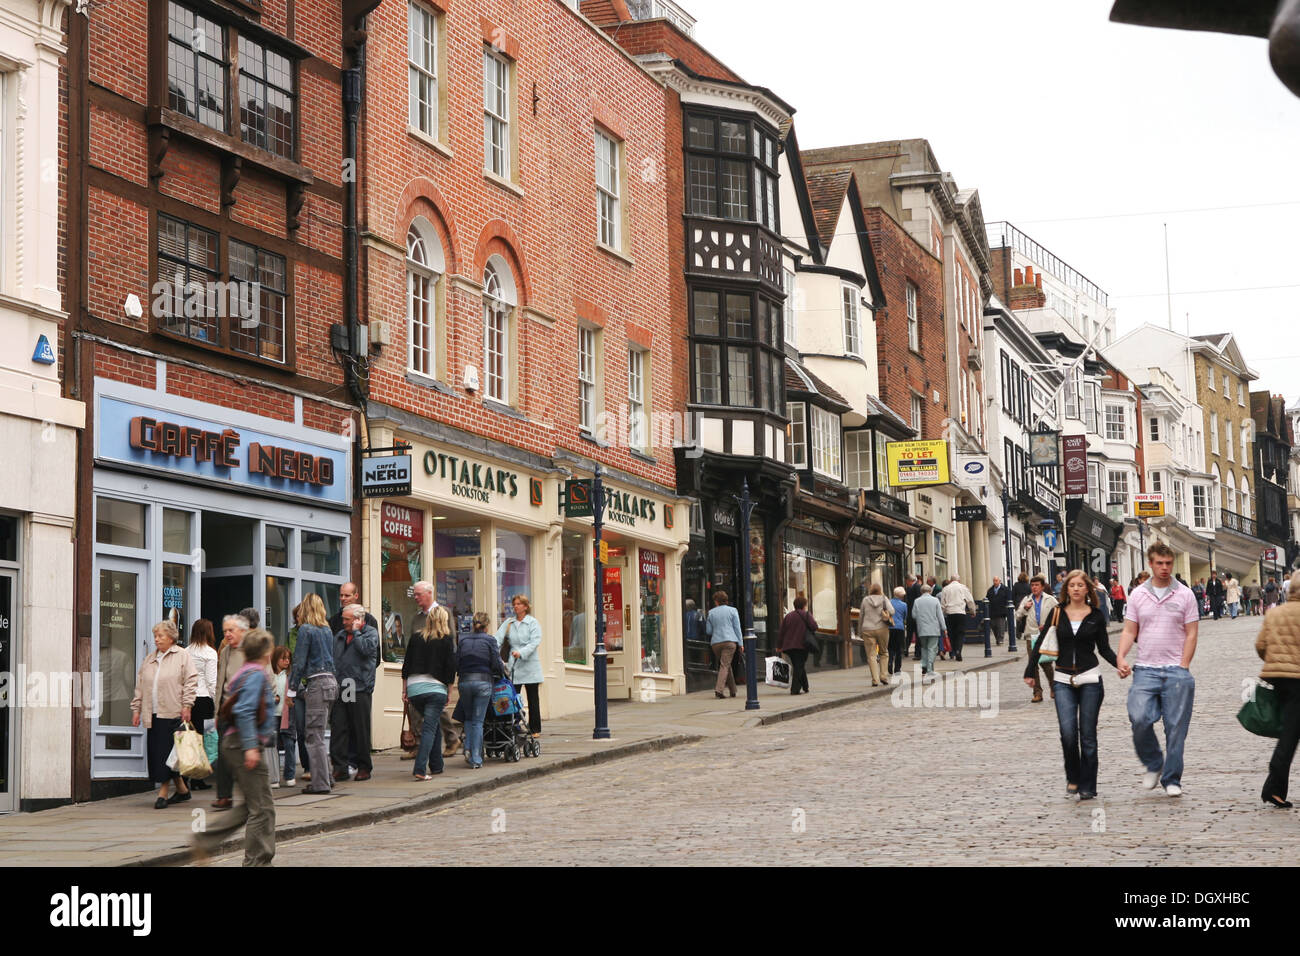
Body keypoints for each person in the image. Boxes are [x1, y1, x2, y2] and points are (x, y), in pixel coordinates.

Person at [1025, 569, 1119, 800]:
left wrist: (1120, 664)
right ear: (1066, 589)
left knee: (1087, 735)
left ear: (1087, 588)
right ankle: (1074, 777)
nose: (1076, 589)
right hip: (1063, 680)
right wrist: (1030, 670)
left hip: (1090, 679)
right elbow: (1041, 642)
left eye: (1080, 585)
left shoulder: (1096, 615)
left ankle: (1088, 785)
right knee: (1068, 734)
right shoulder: (1057, 612)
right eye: (1072, 585)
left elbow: (1103, 648)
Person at [1116, 541, 1199, 797]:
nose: (1164, 568)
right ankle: (1154, 763)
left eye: (1168, 563)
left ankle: (1172, 778)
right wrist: (1120, 656)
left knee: (1176, 729)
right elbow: (1130, 630)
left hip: (1176, 670)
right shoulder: (1138, 595)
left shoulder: (1185, 595)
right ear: (1150, 564)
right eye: (1159, 563)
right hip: (1145, 670)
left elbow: (1192, 633)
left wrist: (1183, 666)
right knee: (1139, 718)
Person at [194, 628, 277, 866]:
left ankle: (206, 839)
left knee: (252, 805)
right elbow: (244, 710)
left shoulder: (244, 672)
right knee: (263, 809)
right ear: (264, 652)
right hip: (243, 744)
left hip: (234, 742)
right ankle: (257, 861)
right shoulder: (257, 675)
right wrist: (251, 747)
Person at [131, 620, 197, 808]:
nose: (157, 639)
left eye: (161, 636)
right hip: (152, 713)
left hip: (173, 711)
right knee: (159, 754)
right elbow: (140, 686)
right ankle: (183, 790)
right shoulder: (149, 659)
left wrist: (187, 705)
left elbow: (191, 681)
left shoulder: (182, 656)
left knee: (166, 755)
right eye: (155, 636)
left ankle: (163, 793)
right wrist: (136, 709)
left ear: (171, 637)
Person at [1255, 571, 1300, 807]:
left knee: (1291, 731)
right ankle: (1273, 788)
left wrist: (1273, 662)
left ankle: (1274, 787)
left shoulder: (1275, 613)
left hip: (1279, 677)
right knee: (1290, 734)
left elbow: (1261, 645)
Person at [401, 594, 456, 779]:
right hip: (435, 690)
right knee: (429, 728)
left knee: (434, 726)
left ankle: (437, 765)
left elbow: (406, 666)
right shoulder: (446, 639)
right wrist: (449, 691)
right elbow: (450, 669)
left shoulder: (416, 638)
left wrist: (405, 690)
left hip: (415, 689)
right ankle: (419, 769)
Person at [290, 593, 337, 794]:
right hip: (331, 682)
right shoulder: (327, 630)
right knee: (319, 733)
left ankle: (320, 784)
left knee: (313, 735)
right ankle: (326, 777)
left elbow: (299, 662)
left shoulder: (305, 630)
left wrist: (291, 690)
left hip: (316, 683)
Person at [331, 603, 379, 782]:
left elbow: (367, 650)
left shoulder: (370, 633)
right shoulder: (340, 636)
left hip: (359, 686)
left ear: (359, 620)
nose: (343, 622)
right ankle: (340, 767)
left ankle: (364, 767)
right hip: (342, 685)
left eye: (347, 619)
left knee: (360, 728)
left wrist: (357, 632)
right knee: (339, 727)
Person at [211, 613, 250, 810]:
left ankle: (250, 795)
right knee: (224, 753)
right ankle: (224, 796)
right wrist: (217, 711)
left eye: (231, 630)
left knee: (245, 755)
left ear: (242, 631)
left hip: (245, 711)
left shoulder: (253, 651)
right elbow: (220, 683)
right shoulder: (225, 651)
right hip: (226, 711)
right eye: (225, 631)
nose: (227, 634)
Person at [458, 612, 505, 768]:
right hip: (483, 683)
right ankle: (476, 759)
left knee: (468, 718)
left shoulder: (463, 640)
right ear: (487, 626)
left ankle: (467, 749)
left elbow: (457, 661)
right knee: (478, 722)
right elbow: (497, 663)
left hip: (464, 682)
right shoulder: (490, 640)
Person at [497, 594, 544, 737]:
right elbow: (497, 639)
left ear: (525, 606)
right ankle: (514, 725)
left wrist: (521, 652)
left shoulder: (532, 623)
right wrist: (491, 651)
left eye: (519, 604)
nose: (516, 606)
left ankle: (535, 729)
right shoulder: (509, 623)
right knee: (512, 697)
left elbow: (535, 642)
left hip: (530, 665)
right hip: (514, 666)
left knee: (533, 698)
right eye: (514, 604)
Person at [184, 619, 218, 791]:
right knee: (206, 740)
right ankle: (198, 779)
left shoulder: (186, 652)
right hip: (205, 700)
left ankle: (184, 778)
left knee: (189, 739)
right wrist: (216, 702)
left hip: (189, 700)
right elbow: (212, 682)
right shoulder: (210, 653)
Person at [1017, 575, 1059, 703]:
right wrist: (1025, 608)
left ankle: (1054, 688)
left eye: (1037, 585)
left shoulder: (1050, 600)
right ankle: (1037, 692)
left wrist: (1049, 625)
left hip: (1045, 636)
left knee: (1046, 664)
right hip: (1031, 636)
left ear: (1042, 586)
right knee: (1033, 665)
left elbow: (1059, 615)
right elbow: (1017, 615)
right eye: (1032, 585)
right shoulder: (1027, 599)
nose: (1034, 588)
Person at [705, 590, 743, 700]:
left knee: (725, 665)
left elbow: (708, 631)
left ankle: (733, 690)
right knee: (725, 665)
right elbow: (737, 628)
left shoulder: (711, 613)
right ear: (726, 600)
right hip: (730, 642)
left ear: (716, 601)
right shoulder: (733, 611)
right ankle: (719, 690)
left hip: (716, 643)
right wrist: (740, 643)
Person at [776, 596, 816, 694]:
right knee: (799, 666)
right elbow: (814, 626)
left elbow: (781, 632)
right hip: (802, 645)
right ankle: (795, 689)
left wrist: (779, 646)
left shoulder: (788, 616)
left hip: (789, 646)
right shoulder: (806, 615)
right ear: (804, 605)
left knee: (798, 665)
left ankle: (805, 687)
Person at [270, 646, 296, 787]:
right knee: (272, 746)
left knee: (289, 744)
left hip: (288, 716)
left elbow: (298, 691)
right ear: (276, 660)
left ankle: (289, 775)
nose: (287, 661)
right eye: (283, 658)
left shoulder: (290, 675)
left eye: (288, 659)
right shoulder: (270, 675)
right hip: (273, 715)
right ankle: (274, 776)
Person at [911, 585, 946, 682]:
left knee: (924, 648)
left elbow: (913, 615)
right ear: (930, 591)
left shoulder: (917, 601)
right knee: (932, 648)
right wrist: (944, 627)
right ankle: (930, 668)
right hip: (934, 629)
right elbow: (940, 615)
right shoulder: (935, 600)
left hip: (922, 629)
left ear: (921, 592)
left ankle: (924, 666)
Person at [858, 584, 891, 686]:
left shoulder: (865, 600)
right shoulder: (884, 598)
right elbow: (892, 610)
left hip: (867, 629)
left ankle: (875, 680)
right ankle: (883, 676)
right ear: (880, 590)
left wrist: (859, 630)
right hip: (882, 628)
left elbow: (861, 615)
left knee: (871, 655)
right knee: (884, 652)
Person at [938, 574, 976, 663]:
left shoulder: (945, 589)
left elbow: (942, 604)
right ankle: (958, 650)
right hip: (960, 613)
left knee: (951, 633)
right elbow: (970, 600)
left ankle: (954, 651)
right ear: (959, 580)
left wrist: (942, 614)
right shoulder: (963, 588)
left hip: (950, 613)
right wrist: (972, 611)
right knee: (960, 633)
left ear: (951, 580)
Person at [887, 587, 908, 678]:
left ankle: (890, 662)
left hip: (889, 627)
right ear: (902, 595)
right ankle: (897, 668)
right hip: (899, 627)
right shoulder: (904, 605)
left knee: (890, 646)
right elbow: (905, 616)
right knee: (899, 648)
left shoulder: (889, 602)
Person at [987, 576, 1011, 646]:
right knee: (994, 626)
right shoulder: (990, 590)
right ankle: (998, 639)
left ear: (999, 581)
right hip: (992, 611)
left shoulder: (1005, 589)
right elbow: (987, 599)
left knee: (1000, 626)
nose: (995, 582)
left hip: (1001, 611)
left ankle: (1000, 639)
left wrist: (1007, 607)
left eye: (996, 580)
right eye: (994, 581)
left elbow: (1009, 599)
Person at [905, 575, 923, 661]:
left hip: (915, 615)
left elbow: (917, 601)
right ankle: (907, 650)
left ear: (909, 581)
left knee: (915, 633)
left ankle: (917, 652)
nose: (906, 583)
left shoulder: (916, 587)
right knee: (911, 633)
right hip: (912, 615)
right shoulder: (910, 588)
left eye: (907, 581)